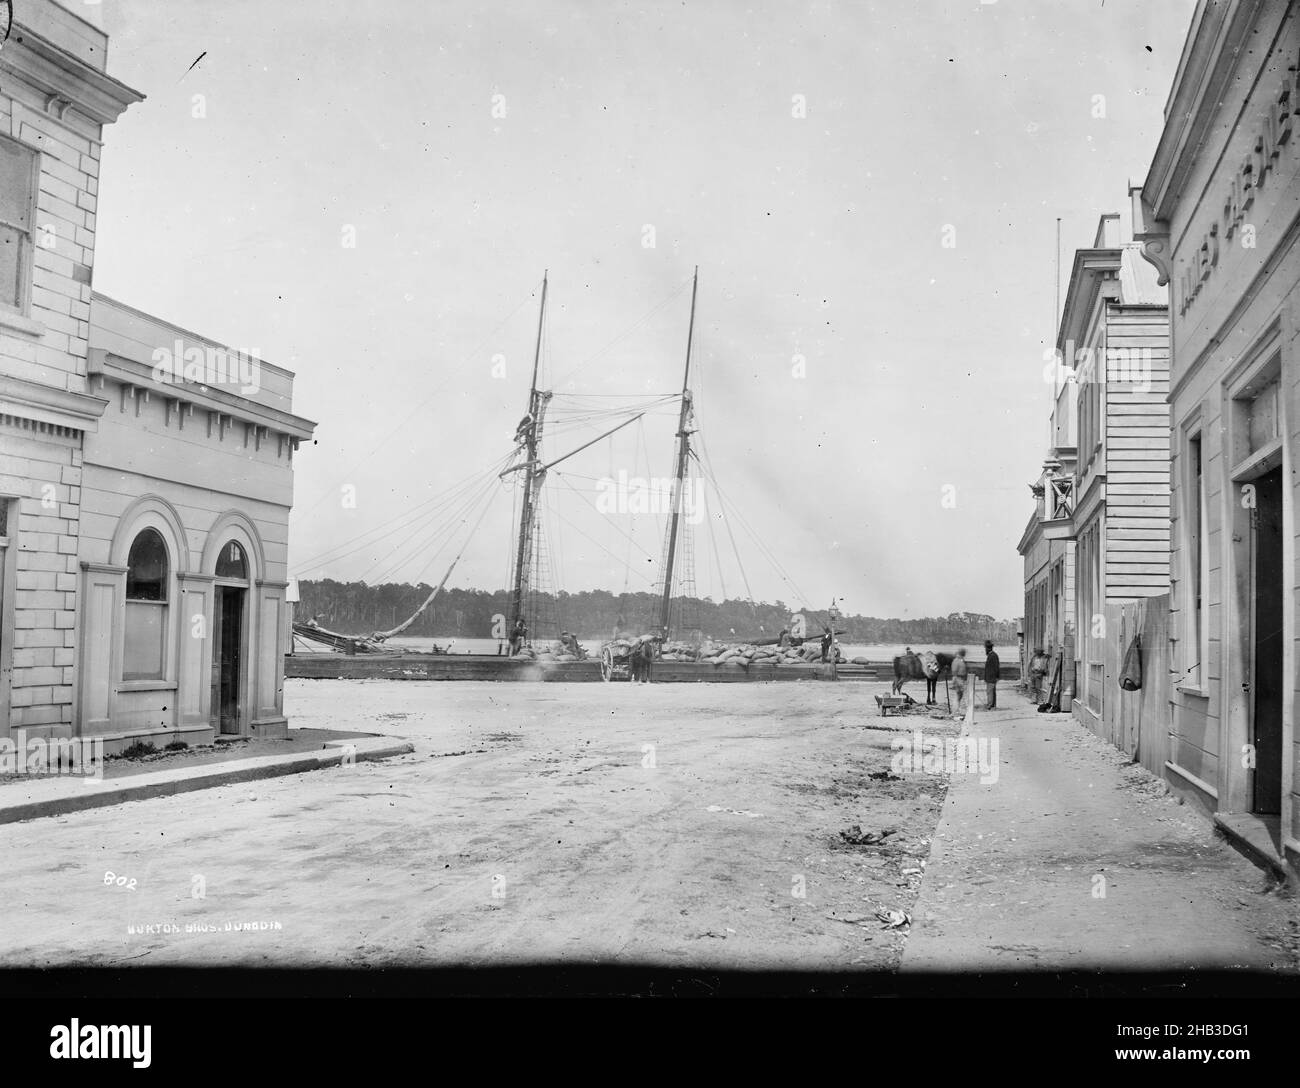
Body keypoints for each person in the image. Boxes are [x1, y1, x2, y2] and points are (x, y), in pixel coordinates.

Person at [983, 640, 1000, 709]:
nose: (985, 650)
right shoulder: (992, 655)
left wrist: (996, 676)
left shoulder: (993, 655)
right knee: (992, 691)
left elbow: (996, 667)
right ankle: (992, 704)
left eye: (986, 648)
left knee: (990, 691)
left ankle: (990, 705)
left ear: (988, 648)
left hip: (991, 677)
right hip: (991, 677)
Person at [951, 648, 968, 716]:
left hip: (961, 679)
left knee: (960, 696)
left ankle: (957, 710)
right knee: (958, 695)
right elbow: (954, 672)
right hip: (958, 678)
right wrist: (955, 681)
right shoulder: (956, 661)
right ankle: (955, 711)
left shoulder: (961, 660)